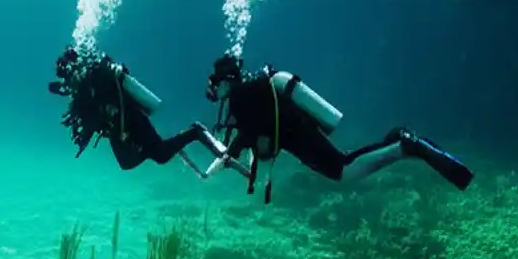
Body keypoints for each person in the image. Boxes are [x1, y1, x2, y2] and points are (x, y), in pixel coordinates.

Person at [201, 53, 475, 202]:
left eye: (215, 81)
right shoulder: (250, 90)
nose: (213, 88)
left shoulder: (239, 98)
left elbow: (247, 135)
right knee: (344, 164)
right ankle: (396, 141)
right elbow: (254, 134)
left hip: (298, 136)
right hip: (299, 131)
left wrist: (225, 158)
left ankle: (404, 145)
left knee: (344, 171)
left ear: (226, 79)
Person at [47, 45, 238, 176]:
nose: (67, 83)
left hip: (133, 118)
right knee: (126, 163)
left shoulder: (97, 79)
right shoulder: (83, 93)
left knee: (161, 156)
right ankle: (158, 146)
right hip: (118, 130)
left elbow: (114, 101)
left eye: (66, 76)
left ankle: (195, 132)